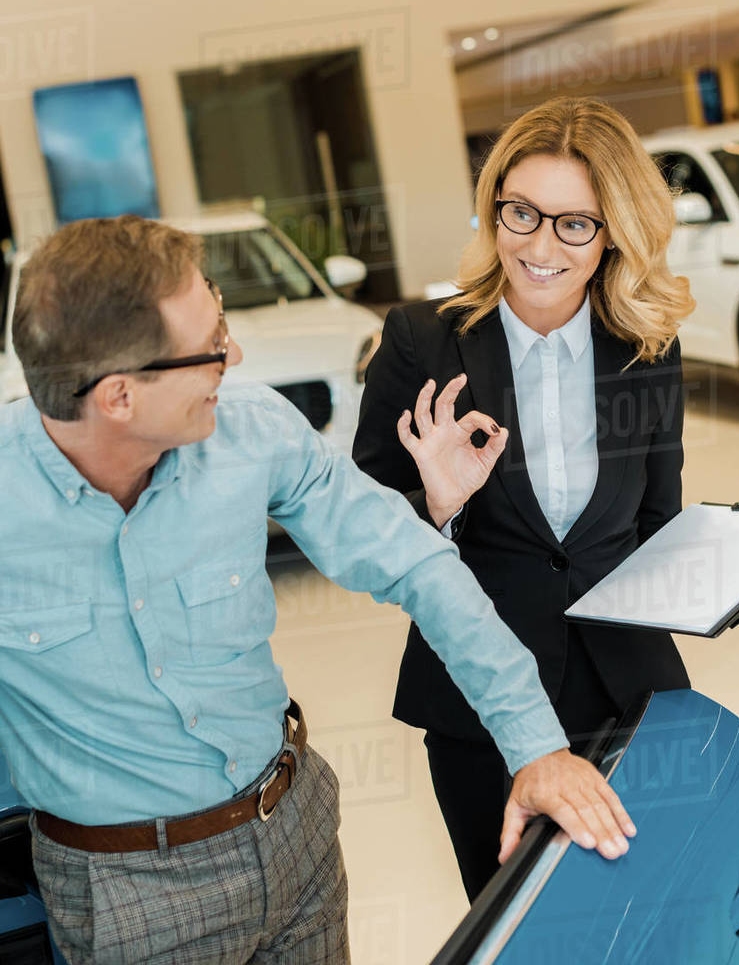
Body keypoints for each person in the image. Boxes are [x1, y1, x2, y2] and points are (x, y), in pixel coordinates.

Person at [1, 214, 636, 965]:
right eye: (210, 347)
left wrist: (534, 747)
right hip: (124, 890)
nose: (234, 355)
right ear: (117, 398)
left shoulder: (256, 433)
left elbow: (417, 567)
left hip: (293, 834)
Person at [354, 95, 699, 901]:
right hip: (481, 704)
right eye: (520, 214)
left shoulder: (646, 348)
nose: (539, 246)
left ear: (614, 229)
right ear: (493, 210)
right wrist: (436, 504)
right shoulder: (419, 341)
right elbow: (356, 530)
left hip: (631, 698)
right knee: (514, 924)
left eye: (573, 223)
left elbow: (657, 530)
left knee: (645, 920)